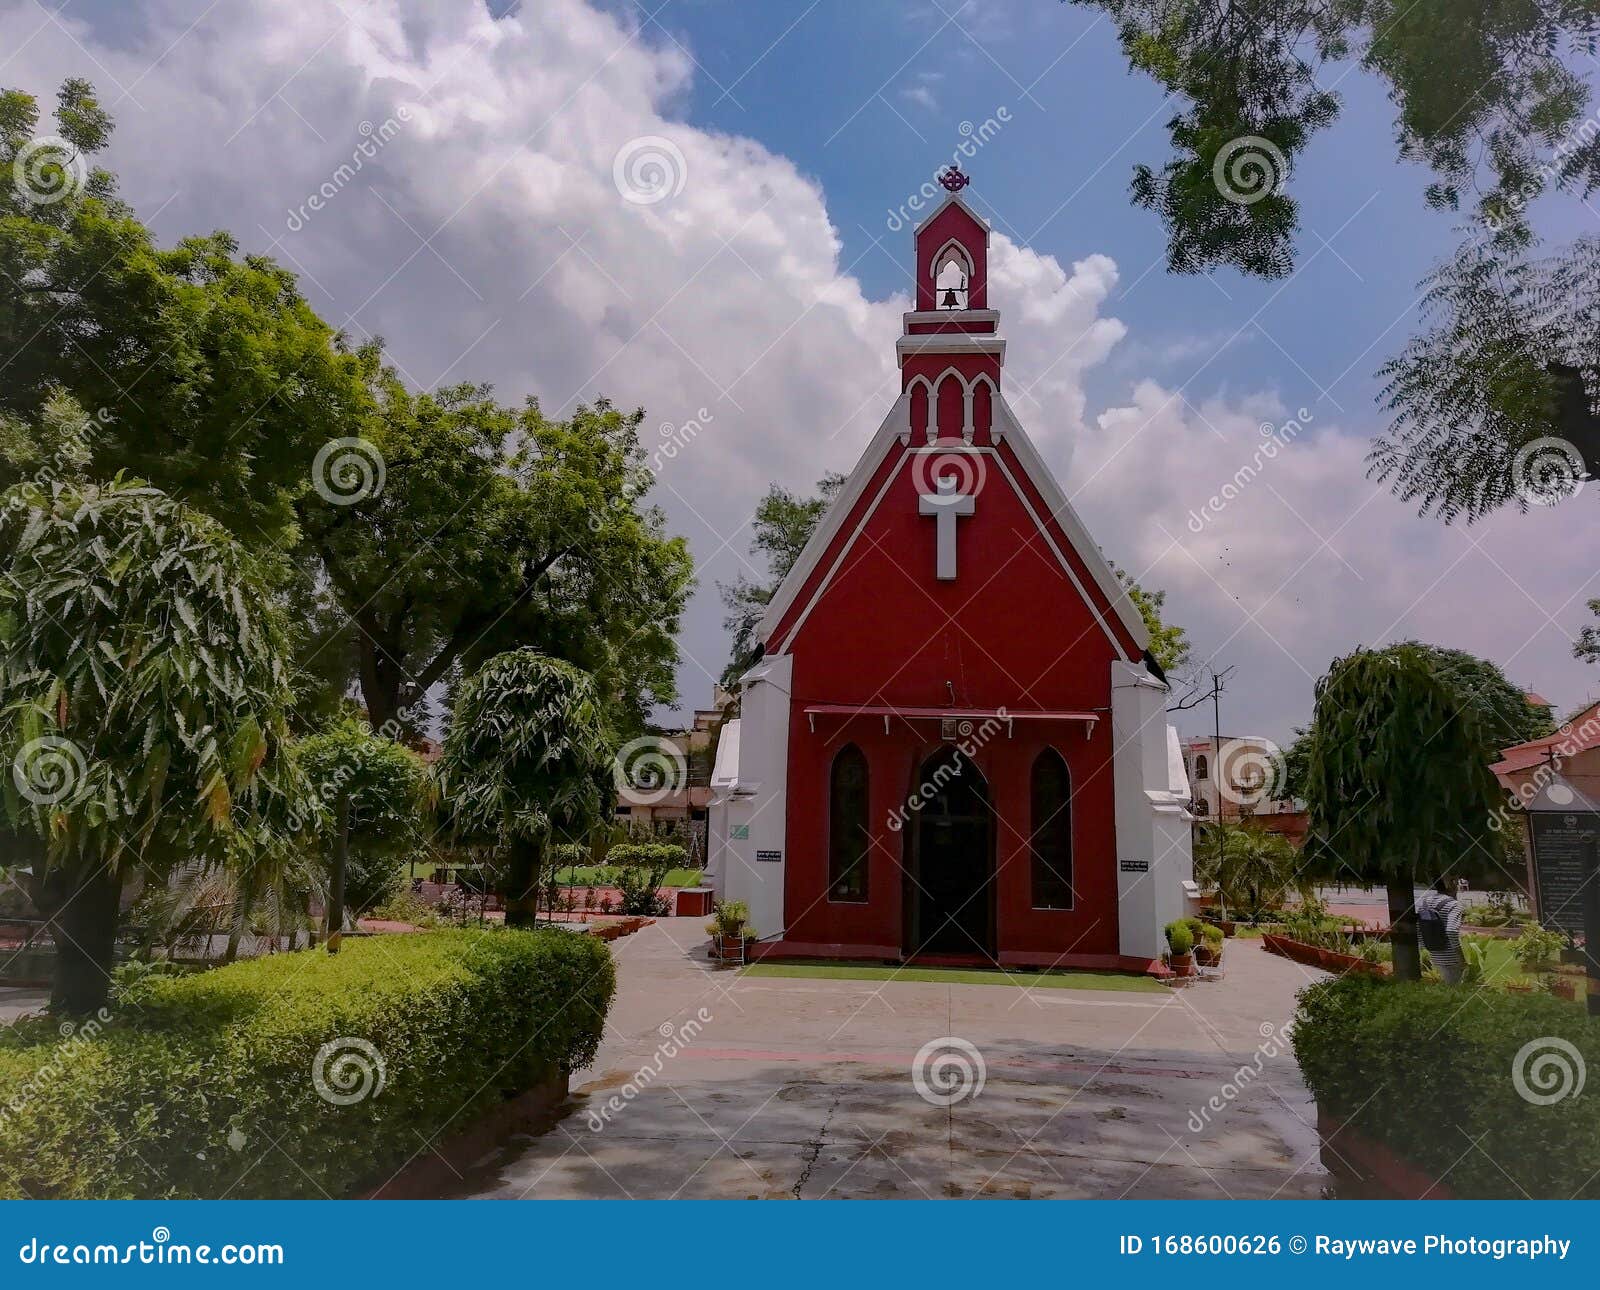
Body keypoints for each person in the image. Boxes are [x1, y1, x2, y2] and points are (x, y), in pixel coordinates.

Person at [1416, 876, 1464, 984]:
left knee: (1447, 987)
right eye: (1456, 882)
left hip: (1435, 953)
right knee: (1455, 990)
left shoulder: (1425, 902)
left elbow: (1419, 927)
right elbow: (1452, 931)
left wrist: (1426, 947)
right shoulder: (1454, 905)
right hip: (1451, 956)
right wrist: (1461, 957)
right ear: (1451, 884)